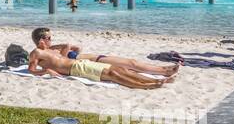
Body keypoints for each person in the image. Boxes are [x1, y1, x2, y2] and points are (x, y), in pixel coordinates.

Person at [27, 28, 177, 88]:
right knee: (113, 75)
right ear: (41, 40)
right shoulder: (37, 53)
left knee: (120, 69)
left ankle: (155, 80)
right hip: (75, 69)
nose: (51, 40)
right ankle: (147, 85)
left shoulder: (51, 50)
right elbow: (31, 70)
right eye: (49, 38)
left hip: (80, 63)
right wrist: (46, 72)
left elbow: (66, 52)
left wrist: (60, 46)